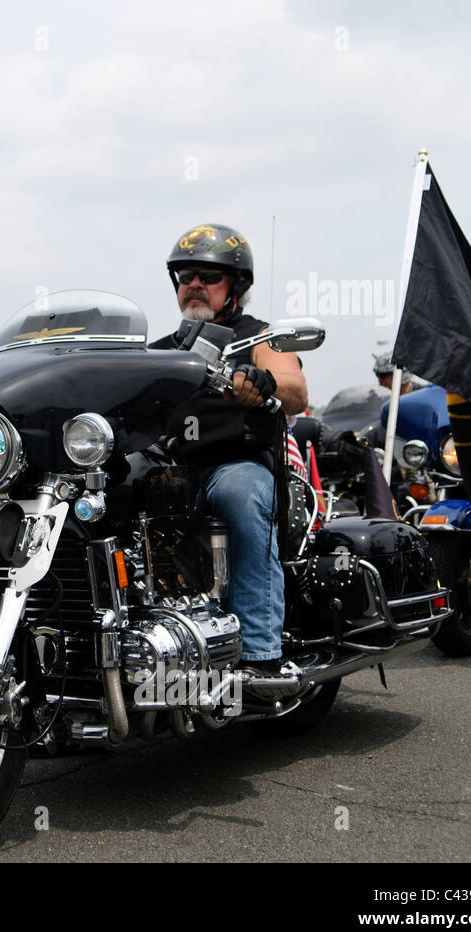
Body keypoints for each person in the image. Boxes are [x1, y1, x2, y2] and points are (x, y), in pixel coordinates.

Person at [157, 224, 308, 673]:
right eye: (186, 276)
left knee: (241, 495)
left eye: (209, 276)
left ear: (236, 286)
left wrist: (265, 384)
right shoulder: (161, 351)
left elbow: (297, 391)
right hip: (171, 472)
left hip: (234, 466)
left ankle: (261, 656)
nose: (195, 285)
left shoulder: (259, 337)